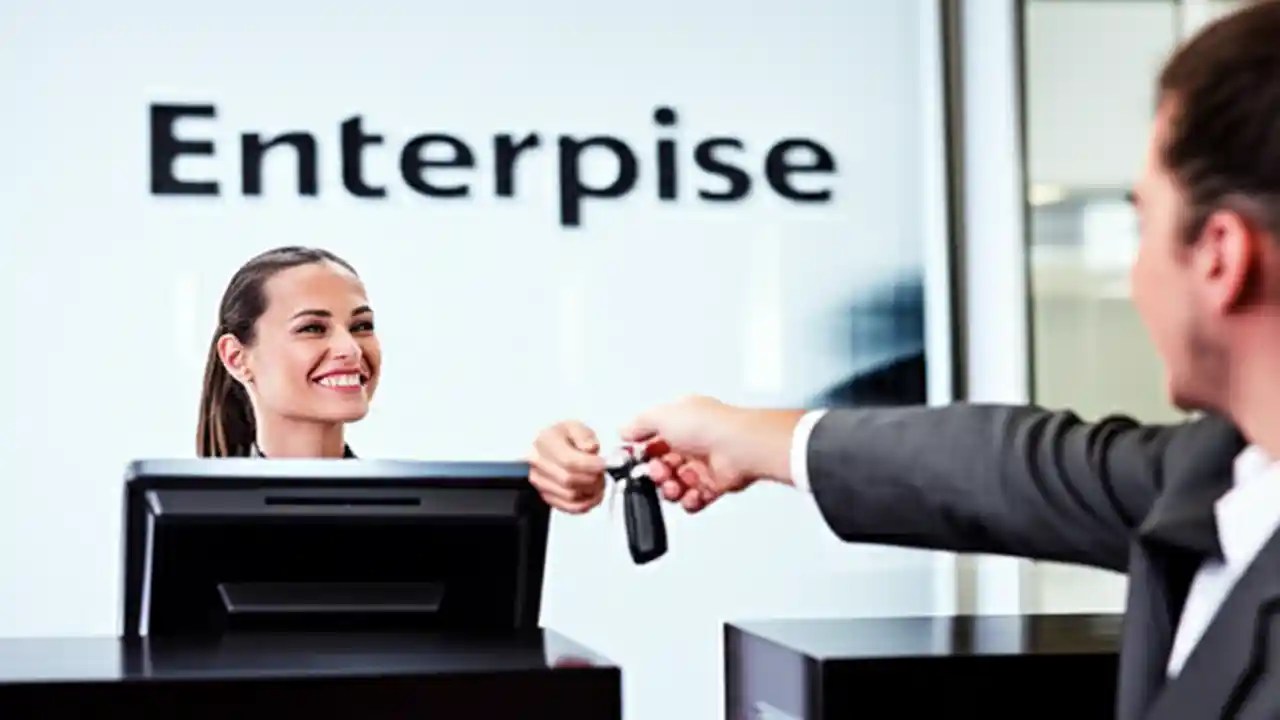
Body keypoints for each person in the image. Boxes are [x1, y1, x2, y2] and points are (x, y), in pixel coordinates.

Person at [528, 3, 1280, 718]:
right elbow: (1014, 468)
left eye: (1142, 222)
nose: (1134, 271)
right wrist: (750, 438)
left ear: (1220, 256)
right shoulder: (1223, 470)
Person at [196, 246, 380, 458]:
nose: (351, 349)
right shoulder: (198, 492)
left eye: (361, 326)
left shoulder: (407, 491)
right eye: (312, 328)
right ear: (236, 358)